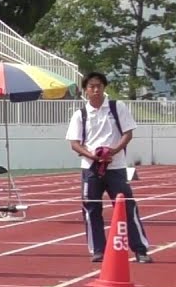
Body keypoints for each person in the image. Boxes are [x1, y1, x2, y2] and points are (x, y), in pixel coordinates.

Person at [65, 72, 152, 263]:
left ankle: (140, 249)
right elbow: (74, 143)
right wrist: (92, 156)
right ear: (86, 90)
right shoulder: (80, 114)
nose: (96, 90)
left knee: (127, 207)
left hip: (116, 168)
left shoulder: (117, 107)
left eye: (99, 86)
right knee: (91, 209)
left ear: (104, 87)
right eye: (91, 86)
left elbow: (128, 133)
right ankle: (98, 250)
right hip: (90, 169)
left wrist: (113, 151)